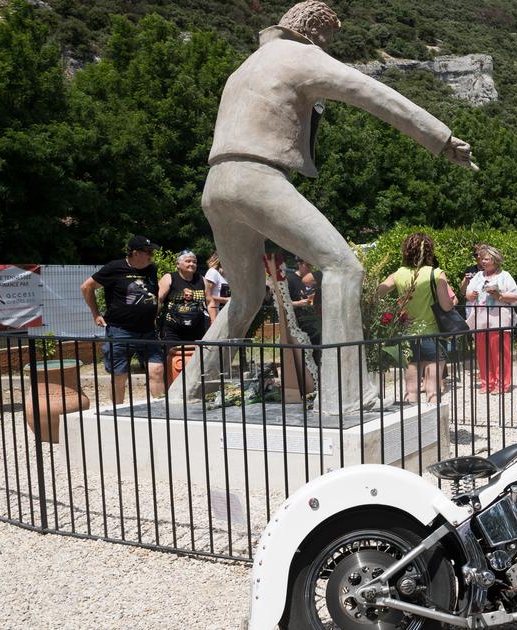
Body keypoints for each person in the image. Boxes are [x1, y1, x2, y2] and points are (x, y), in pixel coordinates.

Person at [193, 1, 476, 410]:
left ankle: (187, 389)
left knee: (245, 298)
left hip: (216, 184)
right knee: (343, 267)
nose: (328, 48)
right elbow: (378, 96)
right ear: (316, 32)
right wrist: (442, 139)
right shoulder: (301, 55)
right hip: (257, 179)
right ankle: (345, 396)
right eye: (329, 40)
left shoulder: (245, 67)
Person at [81, 235, 166, 404]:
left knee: (157, 370)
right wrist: (96, 314)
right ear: (135, 253)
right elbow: (86, 287)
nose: (152, 255)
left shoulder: (152, 269)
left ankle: (162, 411)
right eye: (148, 252)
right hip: (120, 331)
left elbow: (153, 295)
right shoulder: (115, 267)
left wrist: (153, 313)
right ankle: (117, 413)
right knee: (119, 376)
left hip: (148, 331)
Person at [376, 233, 455, 403]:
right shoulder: (436, 273)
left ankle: (411, 419)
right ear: (429, 251)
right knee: (432, 389)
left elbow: (376, 295)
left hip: (407, 335)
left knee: (411, 389)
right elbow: (447, 306)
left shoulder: (399, 273)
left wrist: (395, 312)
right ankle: (433, 420)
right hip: (432, 334)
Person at [465, 245, 517, 393]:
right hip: (480, 319)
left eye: (486, 259)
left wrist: (499, 295)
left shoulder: (505, 276)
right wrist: (470, 295)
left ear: (495, 260)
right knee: (482, 353)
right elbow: (468, 294)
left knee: (500, 353)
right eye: (482, 259)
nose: (482, 261)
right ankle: (486, 383)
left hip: (499, 320)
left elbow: (516, 296)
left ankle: (502, 384)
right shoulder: (478, 276)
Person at [158, 250, 213, 343]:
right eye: (188, 261)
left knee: (196, 352)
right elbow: (158, 300)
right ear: (178, 264)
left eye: (194, 262)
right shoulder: (169, 278)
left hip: (197, 328)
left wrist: (214, 322)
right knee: (173, 352)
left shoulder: (202, 280)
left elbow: (210, 302)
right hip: (173, 329)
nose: (192, 264)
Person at [204, 252, 230, 319]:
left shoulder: (225, 275)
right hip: (212, 315)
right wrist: (225, 300)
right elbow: (206, 295)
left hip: (222, 315)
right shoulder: (212, 272)